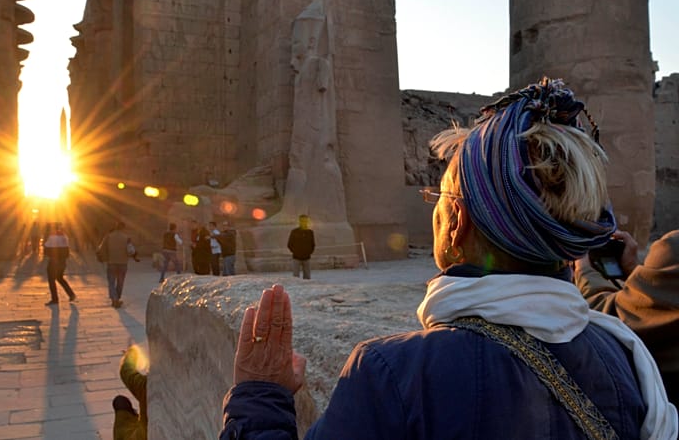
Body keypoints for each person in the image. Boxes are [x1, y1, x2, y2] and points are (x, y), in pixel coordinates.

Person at [219, 79, 678, 439]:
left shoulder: (393, 374)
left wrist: (259, 397)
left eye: (438, 197)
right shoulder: (626, 360)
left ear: (456, 223)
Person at [575, 229, 679, 407]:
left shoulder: (673, 249)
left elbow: (610, 317)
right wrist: (641, 276)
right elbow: (660, 307)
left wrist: (584, 272)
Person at [98, 221, 133, 308]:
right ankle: (117, 298)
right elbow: (131, 251)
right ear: (123, 228)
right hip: (123, 263)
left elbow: (101, 249)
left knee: (111, 282)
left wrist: (104, 257)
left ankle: (114, 298)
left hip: (111, 262)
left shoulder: (108, 236)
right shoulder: (127, 238)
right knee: (120, 282)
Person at [43, 223, 76, 305]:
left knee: (51, 279)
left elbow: (46, 246)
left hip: (53, 261)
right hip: (63, 261)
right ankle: (71, 294)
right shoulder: (65, 236)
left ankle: (55, 299)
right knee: (60, 277)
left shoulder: (52, 237)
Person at [287, 214, 315, 279]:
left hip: (307, 258)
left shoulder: (310, 232)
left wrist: (309, 252)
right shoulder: (294, 232)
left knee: (307, 277)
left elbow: (312, 244)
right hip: (296, 258)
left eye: (305, 221)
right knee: (295, 278)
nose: (303, 222)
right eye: (302, 221)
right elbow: (289, 244)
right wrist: (295, 252)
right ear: (299, 221)